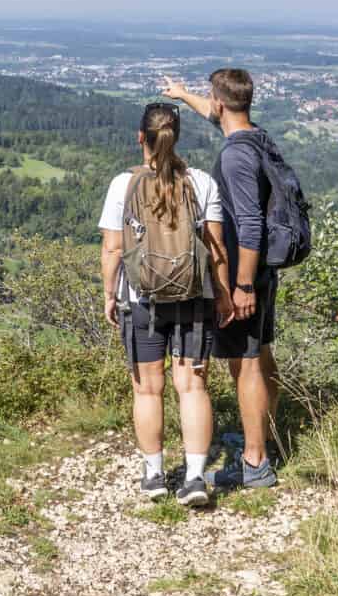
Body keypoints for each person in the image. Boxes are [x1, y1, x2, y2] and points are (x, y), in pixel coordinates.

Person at [99, 102, 233, 507]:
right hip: (195, 297)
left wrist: (109, 294)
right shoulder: (202, 182)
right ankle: (194, 479)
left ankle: (155, 475)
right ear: (177, 136)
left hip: (141, 298)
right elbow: (216, 247)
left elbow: (113, 248)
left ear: (141, 137)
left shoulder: (124, 184)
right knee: (192, 387)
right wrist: (223, 293)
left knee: (147, 389)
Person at [162, 68, 281, 490]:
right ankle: (262, 437)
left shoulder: (235, 157)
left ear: (220, 102)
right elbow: (216, 116)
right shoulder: (255, 137)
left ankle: (255, 462)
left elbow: (249, 224)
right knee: (260, 355)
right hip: (263, 269)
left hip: (244, 277)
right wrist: (182, 95)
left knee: (244, 364)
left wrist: (240, 286)